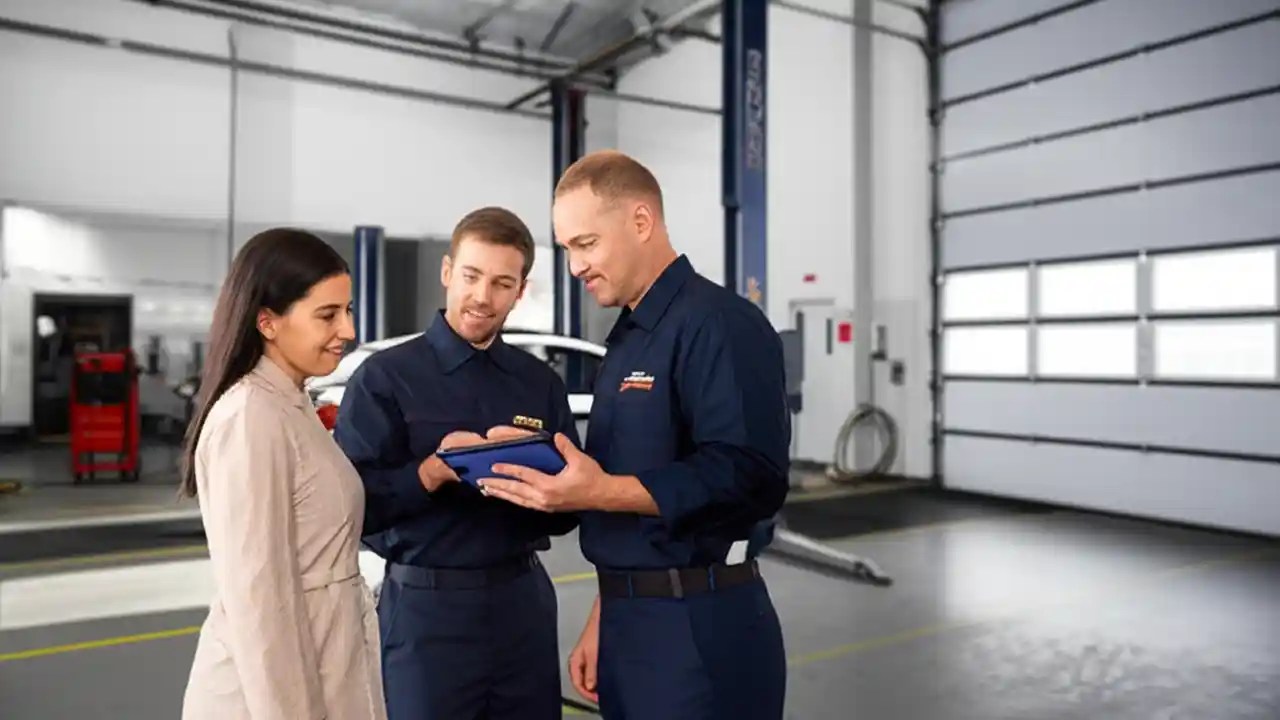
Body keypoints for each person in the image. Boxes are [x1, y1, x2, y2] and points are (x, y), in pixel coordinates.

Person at [480, 149, 791, 719]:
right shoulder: (628, 339)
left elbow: (751, 475)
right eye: (567, 249)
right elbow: (628, 488)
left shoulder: (718, 324)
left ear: (641, 222)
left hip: (701, 626)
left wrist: (598, 492)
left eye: (585, 244)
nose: (574, 266)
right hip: (631, 622)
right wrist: (606, 611)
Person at [332, 206, 580, 720]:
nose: (482, 297)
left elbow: (570, 511)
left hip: (522, 605)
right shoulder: (385, 378)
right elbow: (355, 510)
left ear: (520, 291)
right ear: (447, 272)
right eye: (470, 276)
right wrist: (433, 472)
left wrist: (549, 488)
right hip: (426, 613)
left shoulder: (540, 385)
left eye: (501, 283)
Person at [180, 228, 385, 720]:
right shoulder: (251, 415)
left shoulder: (291, 402)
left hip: (326, 658)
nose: (349, 330)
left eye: (348, 309)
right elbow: (260, 603)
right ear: (268, 322)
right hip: (275, 691)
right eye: (327, 315)